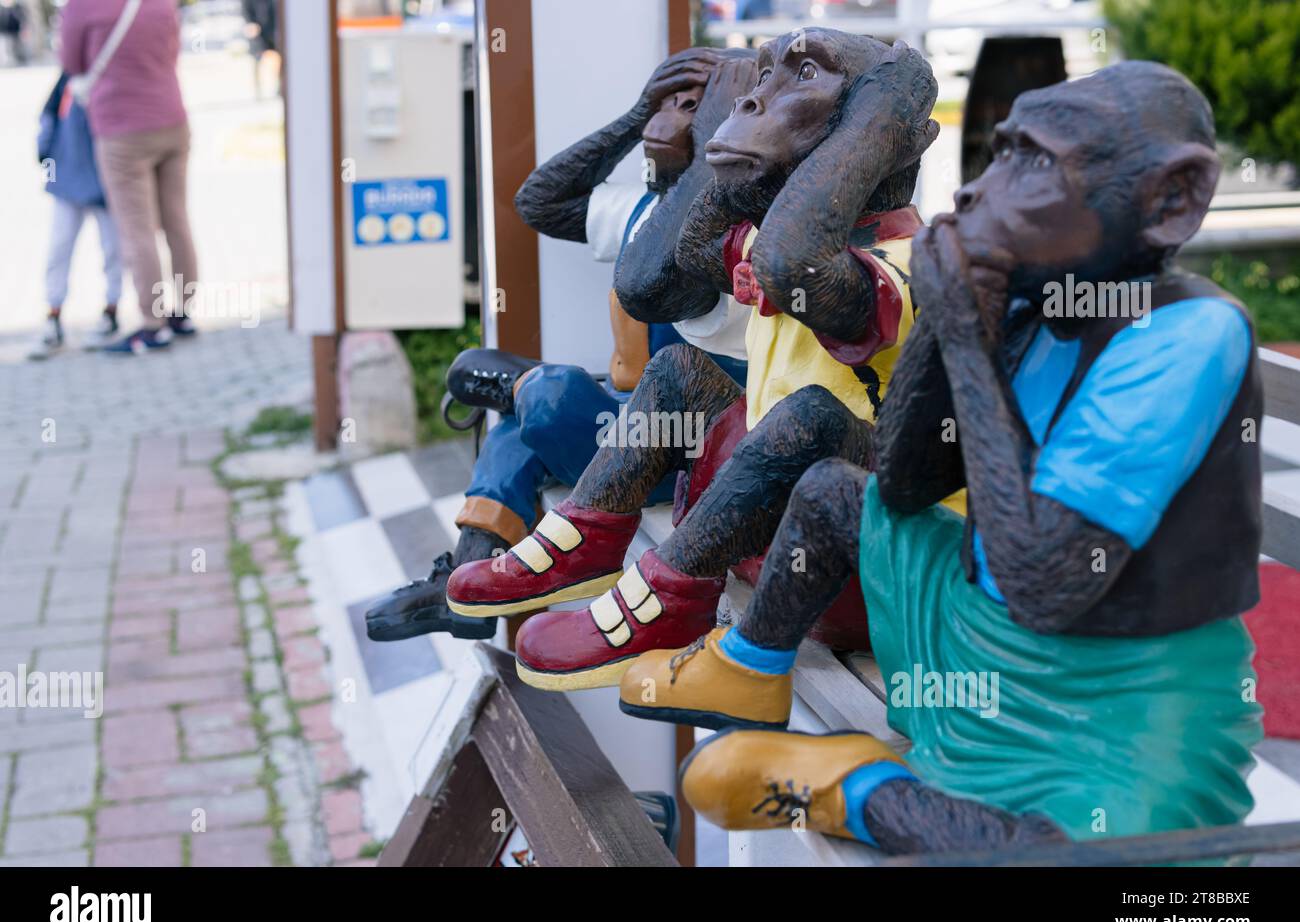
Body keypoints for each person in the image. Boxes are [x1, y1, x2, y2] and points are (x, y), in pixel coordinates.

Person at [651, 63, 1263, 854]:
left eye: (1033, 162)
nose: (978, 190)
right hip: (975, 630)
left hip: (1119, 692)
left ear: (1170, 199)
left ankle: (861, 790)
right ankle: (748, 665)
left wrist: (969, 339)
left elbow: (1047, 580)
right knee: (836, 494)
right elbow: (905, 485)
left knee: (1129, 874)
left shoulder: (1190, 334)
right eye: (998, 153)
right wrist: (947, 322)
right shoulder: (1029, 301)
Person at [445, 34, 944, 692]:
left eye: (801, 77)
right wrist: (726, 138)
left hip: (853, 556)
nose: (755, 98)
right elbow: (652, 278)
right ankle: (592, 534)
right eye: (760, 78)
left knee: (812, 417)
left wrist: (886, 106)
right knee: (678, 370)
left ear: (875, 128)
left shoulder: (909, 262)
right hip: (763, 517)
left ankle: (671, 597)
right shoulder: (774, 236)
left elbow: (793, 264)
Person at [365, 50, 755, 644]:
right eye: (668, 100)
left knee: (546, 398)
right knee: (516, 429)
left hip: (682, 449)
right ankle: (465, 580)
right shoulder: (645, 208)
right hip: (631, 422)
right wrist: (634, 116)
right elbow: (539, 201)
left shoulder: (735, 233)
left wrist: (711, 149)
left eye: (692, 105)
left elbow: (659, 276)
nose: (667, 116)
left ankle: (522, 383)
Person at [61, 0, 198, 355]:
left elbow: (71, 63)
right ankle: (182, 313)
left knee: (137, 230)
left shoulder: (83, 6)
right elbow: (173, 49)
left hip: (121, 129)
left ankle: (152, 326)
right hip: (172, 119)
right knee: (177, 222)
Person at [28, 73, 123, 360]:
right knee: (59, 247)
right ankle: (53, 315)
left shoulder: (110, 73)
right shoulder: (67, 77)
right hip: (67, 179)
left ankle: (111, 310)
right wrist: (46, 158)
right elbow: (48, 117)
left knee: (112, 249)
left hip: (104, 180)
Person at [241, 0, 279, 99]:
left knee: (275, 61)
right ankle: (258, 90)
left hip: (272, 32)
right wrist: (250, 24)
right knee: (257, 61)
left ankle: (277, 86)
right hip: (257, 33)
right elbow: (246, 11)